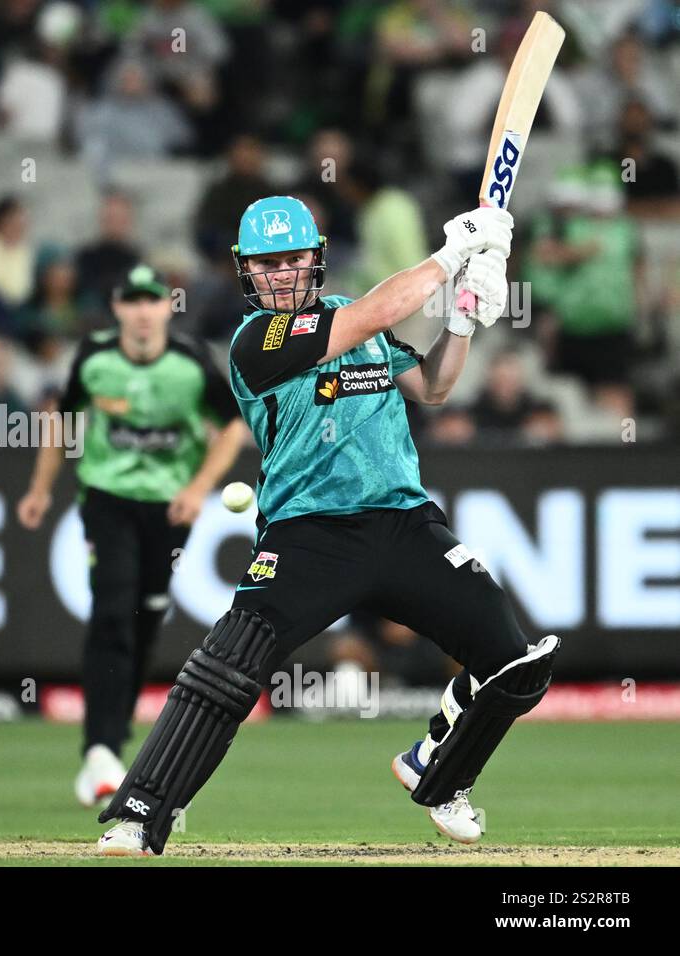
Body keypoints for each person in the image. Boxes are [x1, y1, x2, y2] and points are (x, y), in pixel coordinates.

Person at [96, 196, 560, 857]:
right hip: (307, 533)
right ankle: (141, 816)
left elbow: (433, 387)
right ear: (246, 272)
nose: (281, 275)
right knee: (230, 667)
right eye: (267, 265)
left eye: (292, 261)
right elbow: (371, 313)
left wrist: (462, 318)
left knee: (514, 663)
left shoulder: (355, 321)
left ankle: (438, 768)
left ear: (315, 260)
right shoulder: (256, 340)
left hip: (402, 523)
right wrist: (449, 256)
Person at [16, 264, 246, 807]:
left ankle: (113, 742)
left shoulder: (191, 363)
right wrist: (40, 488)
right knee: (113, 610)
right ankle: (98, 748)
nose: (143, 312)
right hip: (108, 500)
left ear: (167, 308)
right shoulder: (95, 358)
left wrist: (198, 489)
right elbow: (62, 417)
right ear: (118, 308)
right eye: (132, 301)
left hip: (168, 510)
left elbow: (233, 425)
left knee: (145, 619)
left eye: (152, 301)